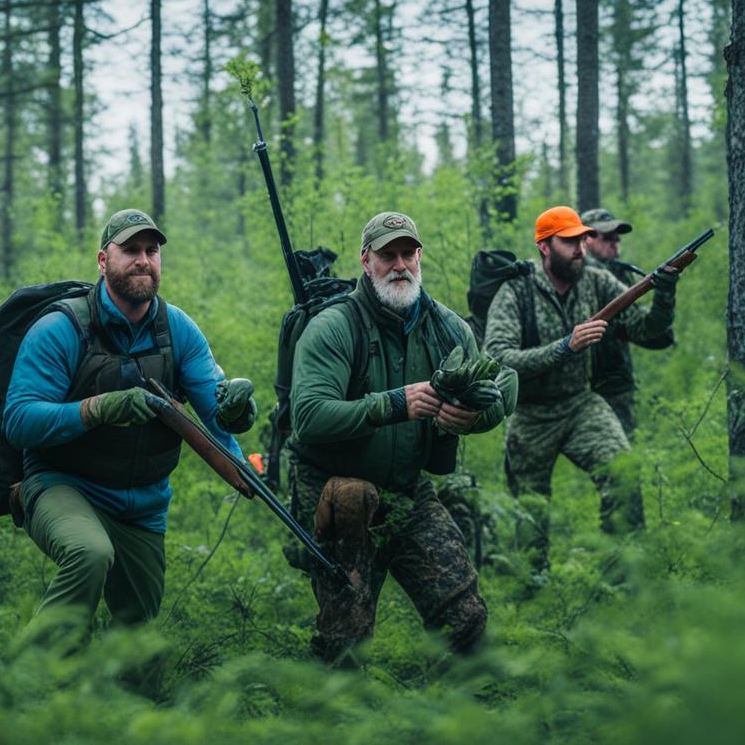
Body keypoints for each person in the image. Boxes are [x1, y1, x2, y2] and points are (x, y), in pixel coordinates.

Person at [3, 208, 257, 644]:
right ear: (104, 261)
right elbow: (19, 421)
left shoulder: (177, 329)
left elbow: (216, 415)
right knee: (89, 553)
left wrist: (237, 412)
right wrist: (97, 408)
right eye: (131, 250)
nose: (143, 260)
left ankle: (112, 708)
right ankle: (28, 683)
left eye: (152, 251)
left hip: (143, 505)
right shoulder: (61, 328)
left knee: (137, 641)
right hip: (63, 485)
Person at [289, 211, 518, 664]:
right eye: (386, 255)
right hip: (338, 491)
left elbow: (501, 382)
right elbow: (309, 417)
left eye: (407, 254)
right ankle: (331, 721)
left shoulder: (447, 327)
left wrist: (471, 414)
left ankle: (458, 722)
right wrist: (393, 404)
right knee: (344, 647)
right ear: (365, 260)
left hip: (408, 491)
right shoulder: (334, 327)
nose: (399, 265)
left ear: (419, 257)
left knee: (467, 621)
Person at [483, 206, 678, 582]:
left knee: (622, 473)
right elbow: (498, 358)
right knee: (531, 516)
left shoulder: (596, 280)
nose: (579, 248)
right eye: (568, 241)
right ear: (544, 246)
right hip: (531, 416)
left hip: (580, 404)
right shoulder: (516, 291)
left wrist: (666, 293)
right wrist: (564, 347)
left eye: (580, 239)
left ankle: (622, 581)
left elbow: (647, 329)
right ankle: (532, 596)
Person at [579, 208, 675, 435]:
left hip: (616, 385)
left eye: (616, 237)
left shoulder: (621, 274)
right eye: (606, 237)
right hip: (574, 386)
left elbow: (645, 328)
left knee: (622, 462)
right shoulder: (570, 273)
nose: (615, 242)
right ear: (585, 239)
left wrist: (665, 293)